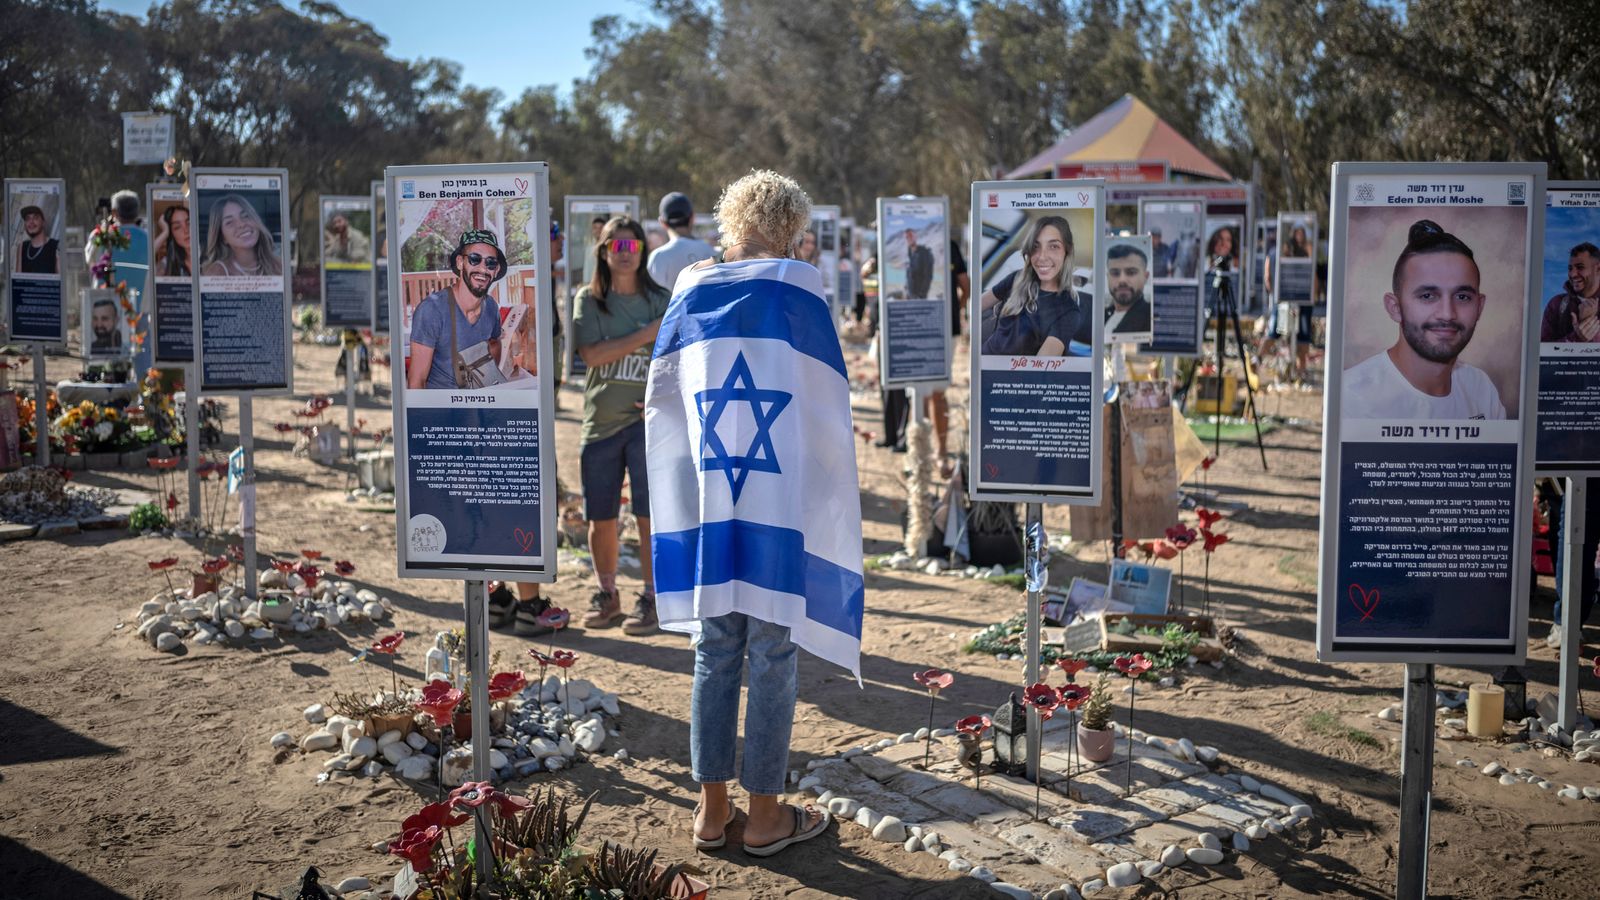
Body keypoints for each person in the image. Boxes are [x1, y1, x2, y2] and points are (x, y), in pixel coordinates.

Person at [648, 168, 836, 857]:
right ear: (791, 228)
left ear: (731, 222)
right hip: (775, 496)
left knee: (715, 646)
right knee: (774, 651)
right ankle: (764, 817)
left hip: (712, 493)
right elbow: (825, 400)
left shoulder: (692, 286)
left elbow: (663, 393)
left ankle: (710, 811)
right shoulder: (797, 290)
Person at [572, 216, 668, 635]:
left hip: (649, 425)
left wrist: (658, 399)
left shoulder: (660, 299)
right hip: (602, 423)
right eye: (617, 246)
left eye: (633, 247)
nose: (625, 254)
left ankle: (651, 596)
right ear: (604, 250)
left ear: (643, 252)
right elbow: (591, 355)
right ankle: (607, 594)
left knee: (650, 516)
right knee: (601, 517)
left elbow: (679, 358)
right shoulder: (588, 300)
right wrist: (647, 333)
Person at [1342, 219, 1505, 419]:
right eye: (1427, 296)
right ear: (1395, 308)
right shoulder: (1351, 399)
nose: (1447, 314)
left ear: (1479, 307)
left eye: (1462, 297)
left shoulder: (1481, 390)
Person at [406, 230, 505, 390]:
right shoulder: (432, 310)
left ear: (496, 270)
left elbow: (495, 342)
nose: (483, 269)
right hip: (443, 411)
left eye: (490, 263)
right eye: (474, 259)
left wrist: (488, 381)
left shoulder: (491, 307)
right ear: (460, 263)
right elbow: (416, 381)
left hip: (477, 409)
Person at [979, 215, 1082, 357]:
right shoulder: (1017, 278)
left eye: (1053, 246)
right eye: (1035, 246)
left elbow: (1041, 367)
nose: (1042, 257)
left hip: (1012, 377)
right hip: (984, 364)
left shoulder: (1069, 311)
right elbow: (977, 306)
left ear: (1067, 251)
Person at [198, 194, 283, 277]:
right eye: (230, 222)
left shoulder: (278, 265)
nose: (241, 224)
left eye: (246, 216)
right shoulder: (217, 272)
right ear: (222, 237)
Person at [646, 192, 716, 293]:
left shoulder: (658, 257)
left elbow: (653, 299)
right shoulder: (712, 253)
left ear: (662, 222)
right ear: (692, 218)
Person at [1539, 243, 1600, 342]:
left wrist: (1588, 325)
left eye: (1580, 267)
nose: (1572, 274)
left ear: (1598, 269)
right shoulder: (1556, 304)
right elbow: (1544, 352)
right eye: (1570, 268)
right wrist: (1576, 338)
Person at [14, 204, 58, 274]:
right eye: (27, 219)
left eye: (35, 218)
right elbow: (18, 280)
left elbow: (61, 281)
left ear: (43, 222)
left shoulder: (56, 246)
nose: (31, 222)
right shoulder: (22, 247)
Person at [153, 204, 191, 277]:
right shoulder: (166, 264)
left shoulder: (207, 259)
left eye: (188, 223)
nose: (186, 230)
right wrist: (165, 232)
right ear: (172, 235)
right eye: (177, 227)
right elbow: (145, 257)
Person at [902, 228, 934, 300]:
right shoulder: (909, 254)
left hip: (920, 297)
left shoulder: (925, 253)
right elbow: (909, 275)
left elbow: (928, 276)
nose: (909, 239)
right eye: (907, 237)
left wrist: (922, 295)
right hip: (910, 296)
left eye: (910, 236)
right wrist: (906, 290)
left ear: (915, 236)